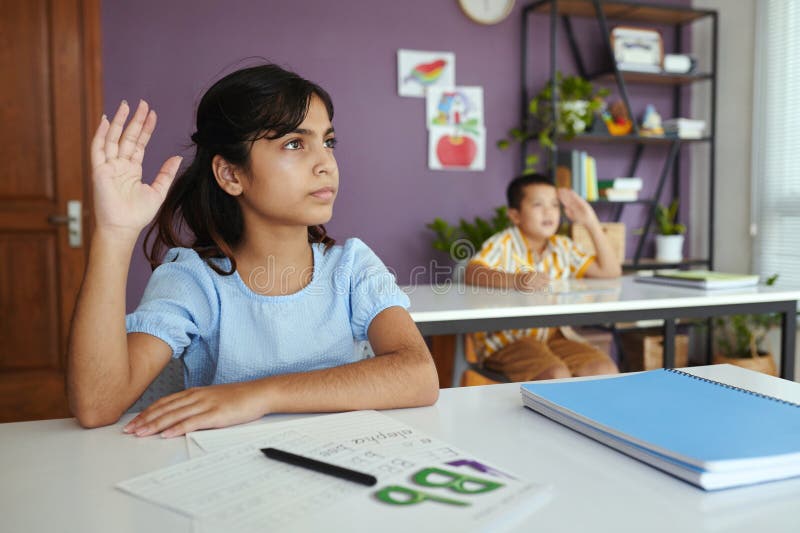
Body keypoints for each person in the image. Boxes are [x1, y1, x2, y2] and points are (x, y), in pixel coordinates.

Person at [67, 64, 439, 437]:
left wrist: (259, 395)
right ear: (231, 175)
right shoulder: (193, 281)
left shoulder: (353, 266)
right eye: (294, 144)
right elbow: (98, 404)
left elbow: (419, 374)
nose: (326, 163)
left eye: (328, 142)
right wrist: (115, 233)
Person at [464, 173, 621, 382]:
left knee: (604, 370)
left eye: (555, 205)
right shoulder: (505, 243)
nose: (549, 211)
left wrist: (590, 221)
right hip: (508, 340)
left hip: (552, 337)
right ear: (515, 215)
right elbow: (472, 272)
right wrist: (515, 280)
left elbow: (610, 272)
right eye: (538, 205)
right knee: (555, 375)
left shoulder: (562, 246)